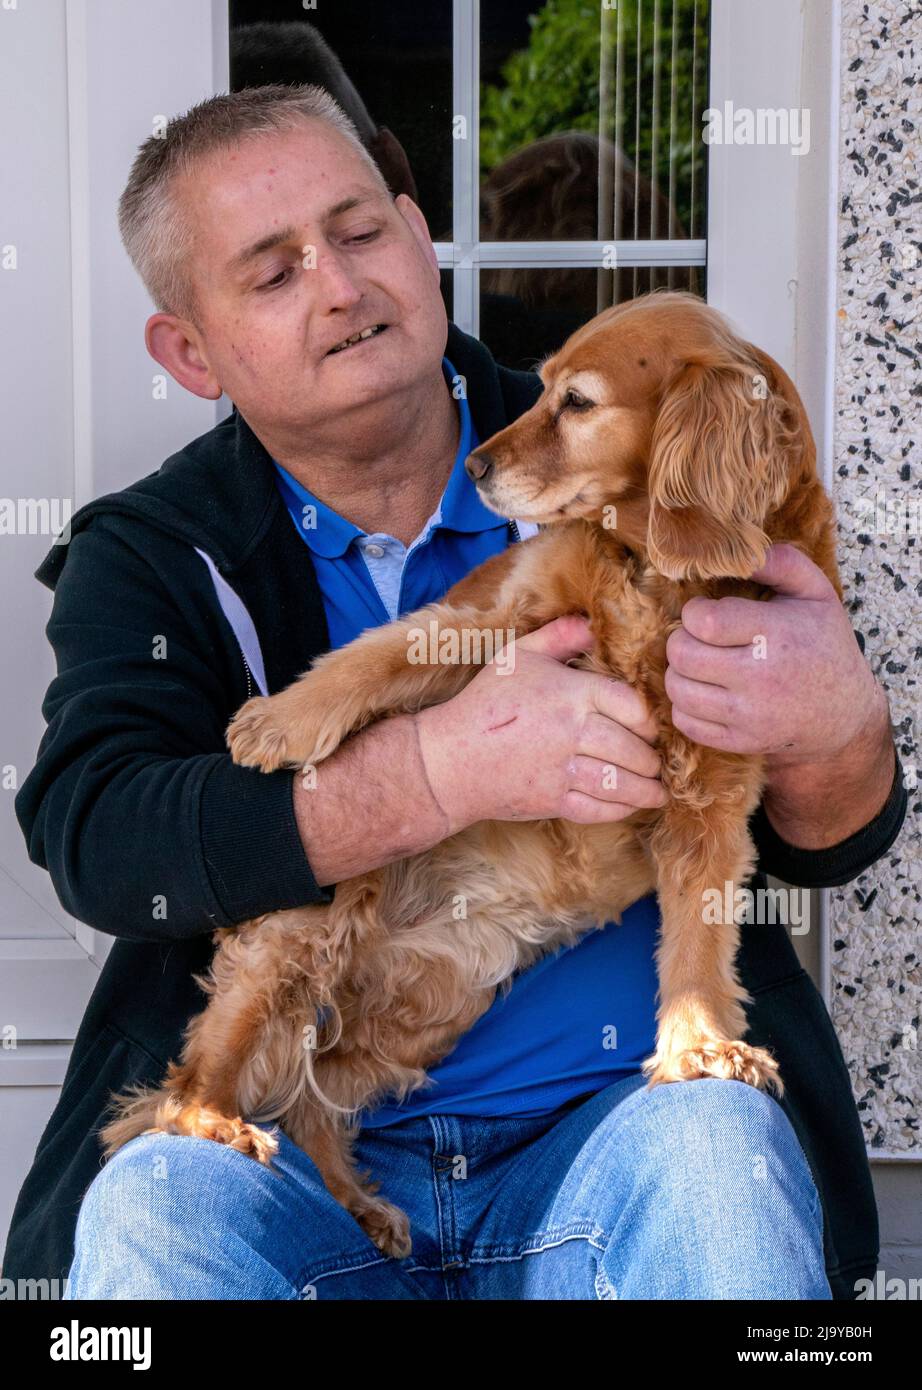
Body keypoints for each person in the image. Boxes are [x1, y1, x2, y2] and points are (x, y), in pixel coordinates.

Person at [3, 85, 905, 1300]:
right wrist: (433, 772)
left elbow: (827, 840)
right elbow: (101, 835)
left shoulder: (632, 454)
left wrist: (838, 727)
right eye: (273, 274)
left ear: (419, 237)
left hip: (617, 1133)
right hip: (302, 1160)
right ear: (191, 354)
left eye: (360, 231)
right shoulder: (150, 551)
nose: (339, 284)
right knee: (155, 1207)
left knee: (718, 1148)